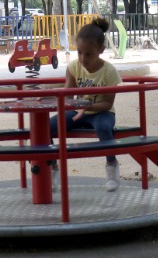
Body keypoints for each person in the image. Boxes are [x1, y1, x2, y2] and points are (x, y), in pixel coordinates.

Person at [52, 17, 122, 191]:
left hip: (100, 112)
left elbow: (107, 104)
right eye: (80, 53)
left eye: (89, 53)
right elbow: (68, 95)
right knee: (46, 127)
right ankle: (51, 167)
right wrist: (74, 105)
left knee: (104, 128)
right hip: (77, 111)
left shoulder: (109, 72)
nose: (83, 58)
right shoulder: (73, 67)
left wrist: (86, 107)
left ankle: (111, 166)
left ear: (101, 50)